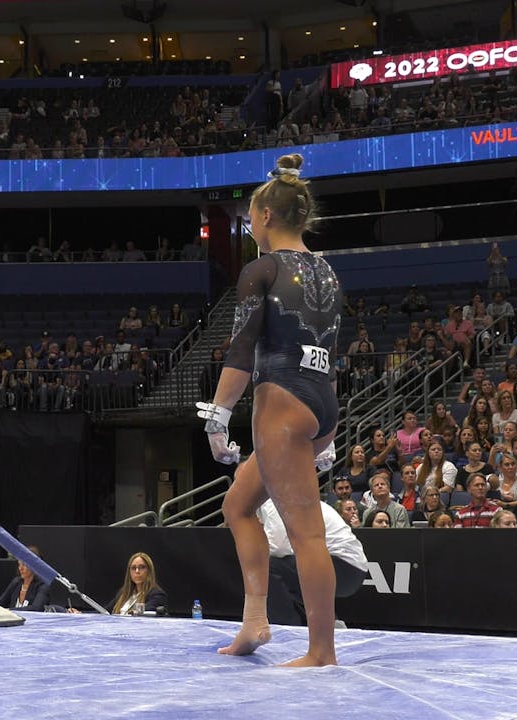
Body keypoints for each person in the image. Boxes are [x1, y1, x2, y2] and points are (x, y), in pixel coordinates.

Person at [198, 154, 342, 666]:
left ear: (265, 218)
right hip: (323, 400)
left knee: (306, 535)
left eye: (251, 218)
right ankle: (255, 622)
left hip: (281, 402)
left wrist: (217, 417)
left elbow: (241, 351)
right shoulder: (327, 271)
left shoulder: (262, 269)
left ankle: (322, 651)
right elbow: (325, 345)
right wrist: (324, 436)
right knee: (237, 505)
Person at [259, 498, 368, 627]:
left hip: (342, 567)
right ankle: (327, 624)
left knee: (267, 567)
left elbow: (278, 548)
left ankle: (285, 628)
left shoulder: (272, 501)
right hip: (351, 569)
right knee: (289, 573)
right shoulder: (297, 498)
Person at [0, 545, 52, 611]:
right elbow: (0, 603)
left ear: (34, 565)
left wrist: (8, 611)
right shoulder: (16, 582)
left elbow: (36, 608)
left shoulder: (43, 586)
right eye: (19, 564)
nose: (20, 568)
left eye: (24, 565)